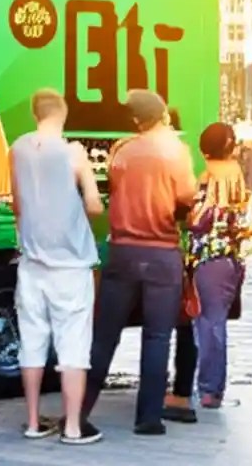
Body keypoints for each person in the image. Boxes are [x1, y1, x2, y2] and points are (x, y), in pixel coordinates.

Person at [83, 89, 196, 436]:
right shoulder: (176, 151)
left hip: (122, 251)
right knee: (158, 336)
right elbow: (187, 198)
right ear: (162, 113)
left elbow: (115, 188)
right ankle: (148, 417)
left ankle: (80, 410)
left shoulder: (122, 150)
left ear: (136, 119)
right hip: (161, 252)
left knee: (104, 335)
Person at [10, 89, 105, 445]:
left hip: (32, 264)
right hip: (70, 265)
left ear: (36, 113)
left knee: (32, 344)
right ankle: (72, 428)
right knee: (73, 347)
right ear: (62, 114)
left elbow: (17, 204)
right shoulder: (74, 152)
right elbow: (94, 205)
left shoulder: (17, 149)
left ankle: (34, 423)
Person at [185, 122, 252, 410]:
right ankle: (214, 387)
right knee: (217, 322)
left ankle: (210, 389)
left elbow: (197, 220)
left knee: (209, 324)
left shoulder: (208, 177)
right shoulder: (237, 174)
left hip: (209, 258)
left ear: (204, 148)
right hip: (232, 258)